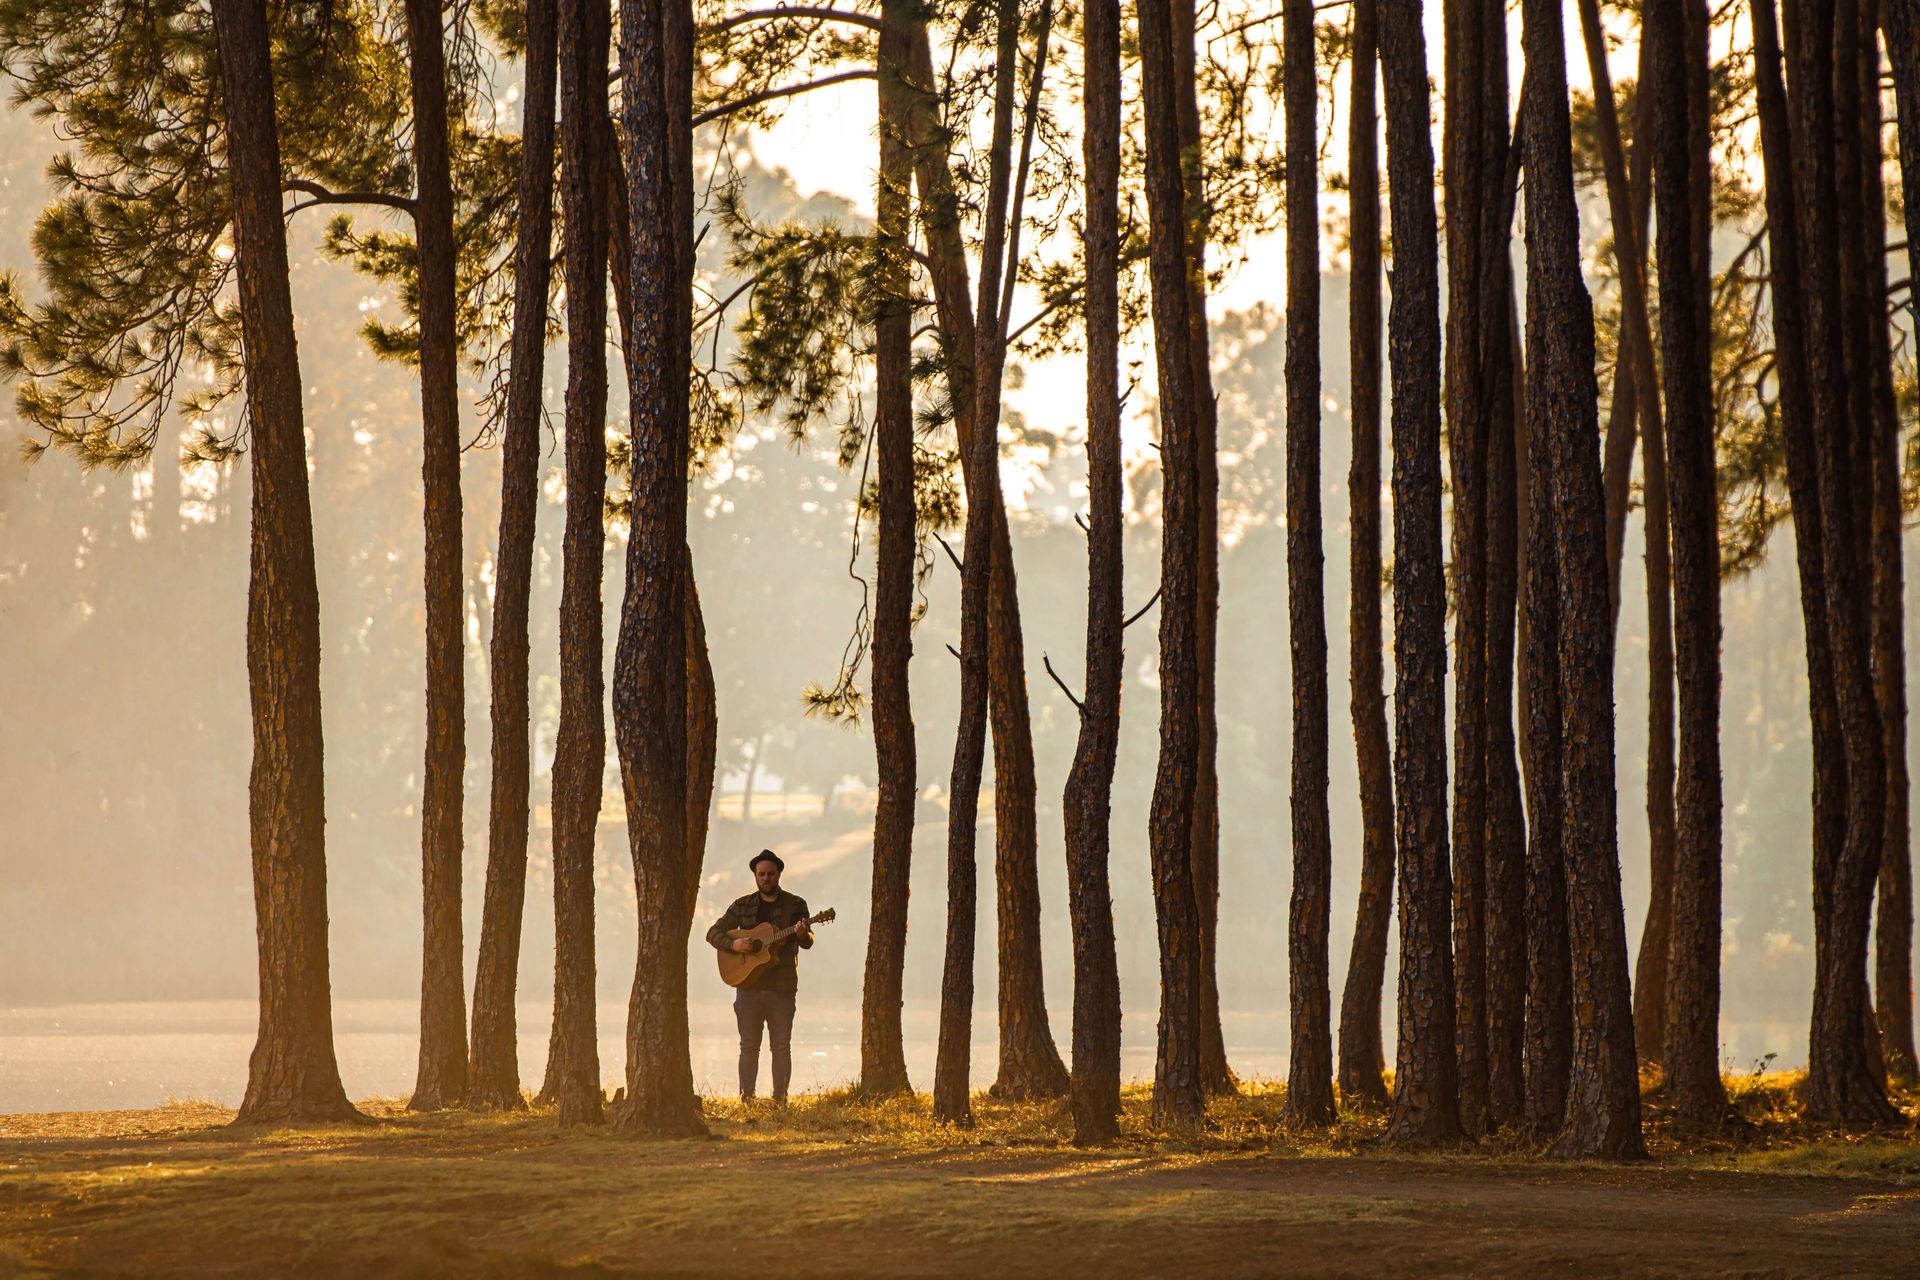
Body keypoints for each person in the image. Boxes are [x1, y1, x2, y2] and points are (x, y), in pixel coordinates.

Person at [705, 849, 814, 1104]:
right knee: (749, 1047)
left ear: (779, 875)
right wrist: (734, 946)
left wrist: (800, 934)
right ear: (755, 875)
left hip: (782, 988)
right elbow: (712, 933)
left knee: (781, 1046)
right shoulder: (742, 906)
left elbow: (808, 942)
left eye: (771, 874)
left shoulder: (795, 905)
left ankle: (780, 1100)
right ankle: (747, 1099)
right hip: (748, 988)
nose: (766, 878)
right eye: (761, 874)